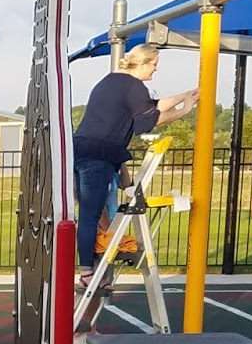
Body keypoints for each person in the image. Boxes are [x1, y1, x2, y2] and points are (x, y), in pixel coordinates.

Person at [73, 46, 197, 285]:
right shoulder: (133, 86)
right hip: (98, 156)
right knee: (91, 215)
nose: (156, 68)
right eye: (153, 64)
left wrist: (184, 95)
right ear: (142, 64)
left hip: (81, 150)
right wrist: (184, 110)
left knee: (90, 214)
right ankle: (88, 272)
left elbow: (152, 105)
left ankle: (90, 267)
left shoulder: (112, 81)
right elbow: (150, 120)